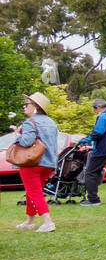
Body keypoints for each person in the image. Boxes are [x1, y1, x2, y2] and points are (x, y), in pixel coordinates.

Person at [13, 91, 59, 233]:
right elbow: (54, 145)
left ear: (35, 106)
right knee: (31, 192)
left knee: (34, 192)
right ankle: (29, 222)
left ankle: (48, 222)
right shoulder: (51, 122)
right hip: (48, 163)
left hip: (31, 163)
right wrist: (54, 166)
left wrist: (17, 136)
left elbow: (26, 141)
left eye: (26, 104)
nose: (23, 107)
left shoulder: (29, 122)